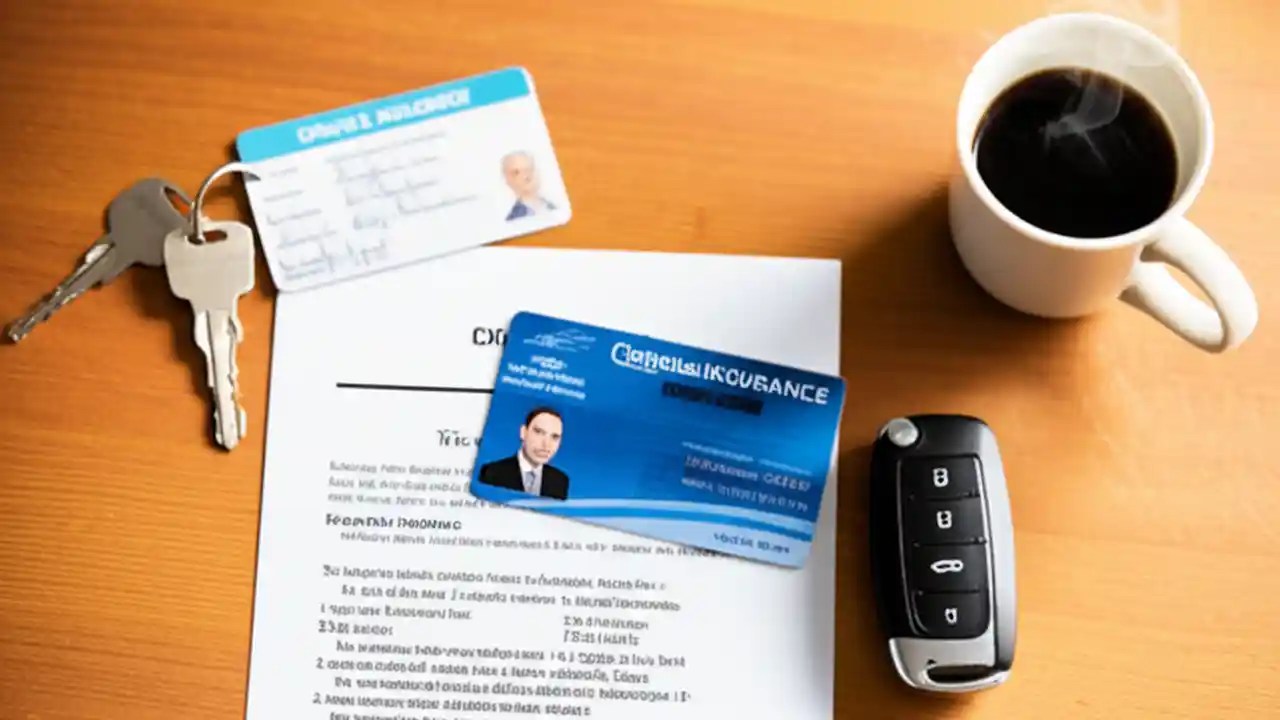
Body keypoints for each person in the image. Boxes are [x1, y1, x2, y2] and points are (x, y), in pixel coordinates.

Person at [477, 406, 570, 499]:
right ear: (523, 432)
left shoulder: (560, 481)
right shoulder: (492, 473)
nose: (546, 444)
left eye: (554, 437)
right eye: (538, 432)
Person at [502, 151, 557, 220]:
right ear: (508, 180)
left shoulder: (553, 207)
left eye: (529, 169)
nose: (526, 176)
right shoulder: (514, 219)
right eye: (516, 173)